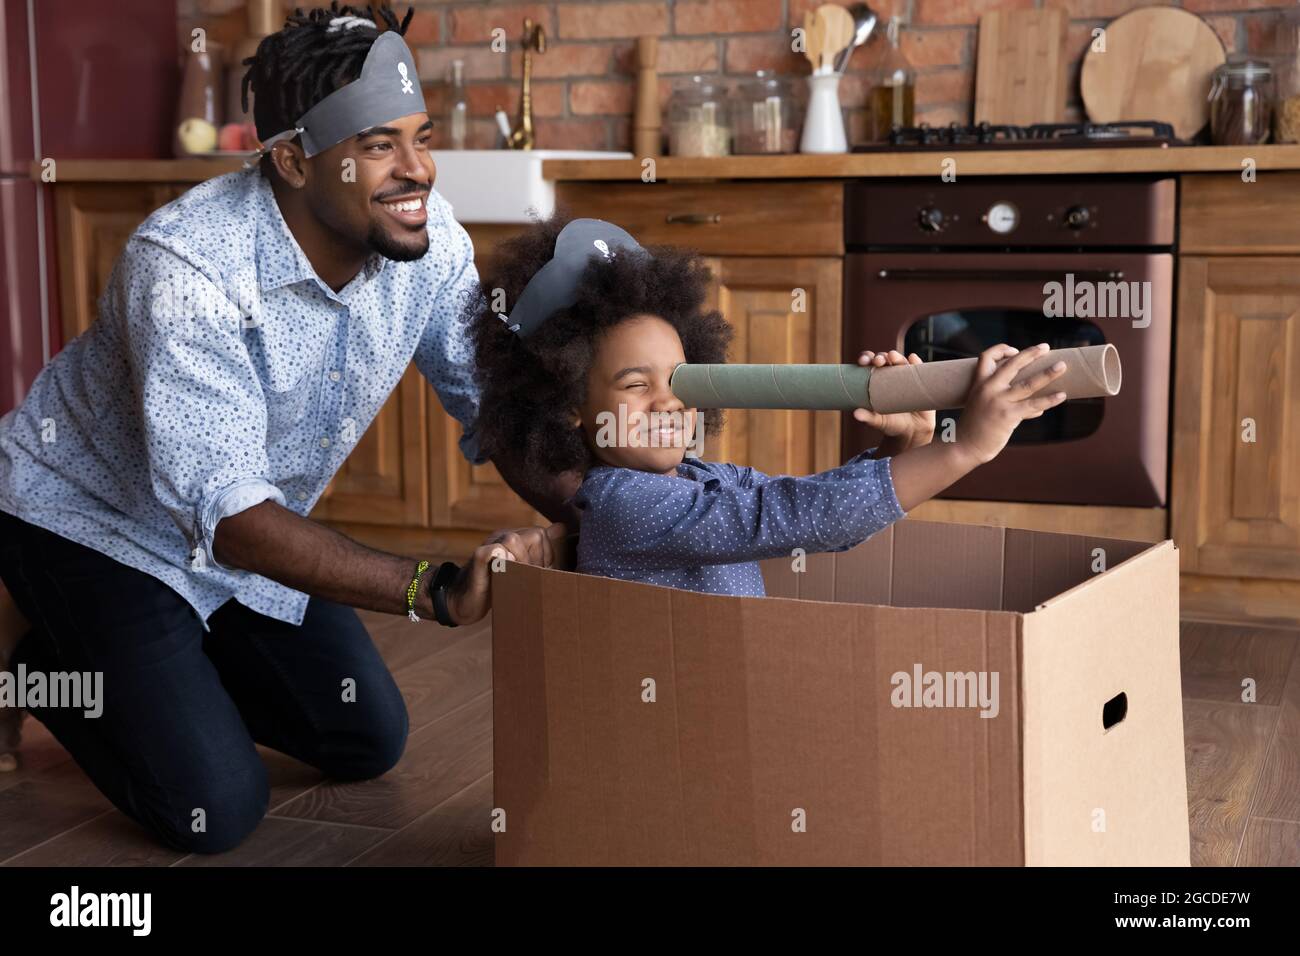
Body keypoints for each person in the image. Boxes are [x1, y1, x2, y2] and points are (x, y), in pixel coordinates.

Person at [0, 4, 572, 851]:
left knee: (365, 739)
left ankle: (164, 670)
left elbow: (492, 403)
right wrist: (434, 591)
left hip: (240, 536)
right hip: (93, 524)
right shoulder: (188, 268)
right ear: (295, 159)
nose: (419, 171)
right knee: (215, 809)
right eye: (380, 145)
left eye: (422, 136)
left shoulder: (425, 236)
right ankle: (36, 668)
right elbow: (233, 519)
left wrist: (594, 510)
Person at [465, 214, 1070, 596]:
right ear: (570, 404)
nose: (667, 400)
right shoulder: (623, 503)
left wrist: (903, 444)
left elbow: (806, 501)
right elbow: (787, 518)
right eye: (634, 384)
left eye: (678, 376)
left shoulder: (701, 477)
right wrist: (963, 447)